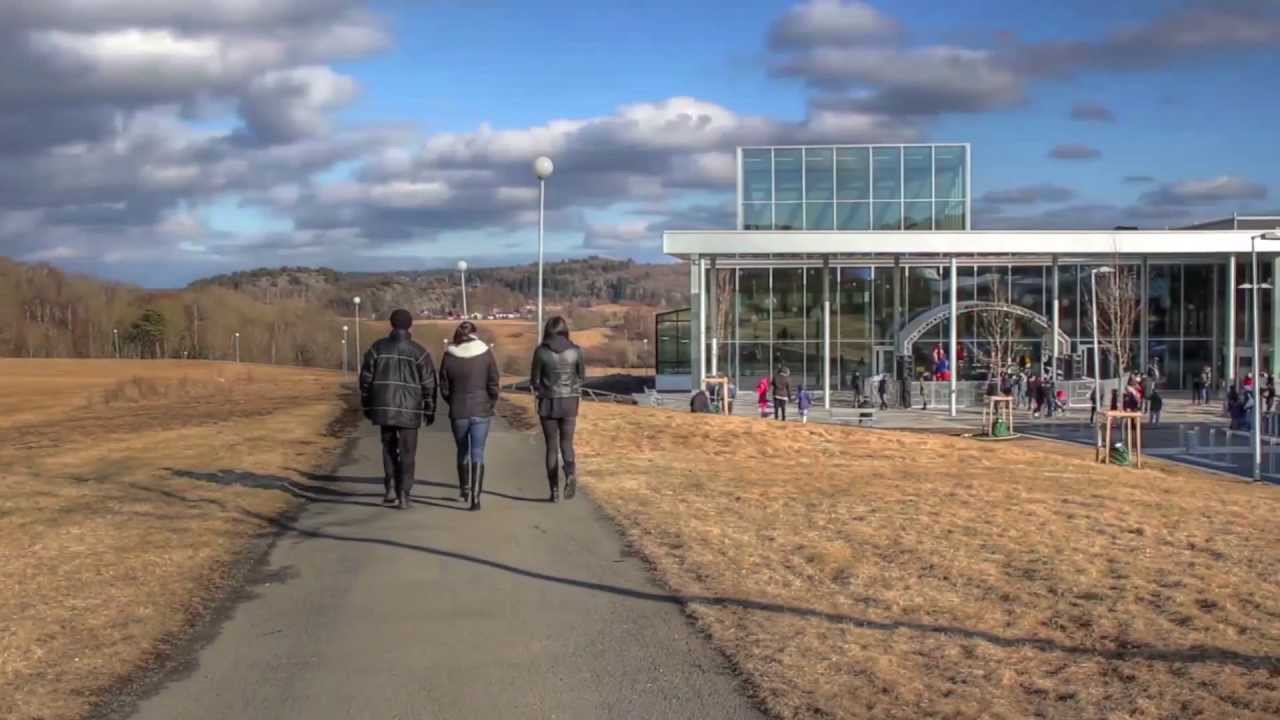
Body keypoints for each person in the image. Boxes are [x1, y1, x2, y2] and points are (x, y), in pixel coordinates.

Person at [359, 308, 437, 510]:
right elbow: (429, 382)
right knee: (408, 452)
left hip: (384, 406)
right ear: (410, 325)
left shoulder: (377, 348)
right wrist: (429, 407)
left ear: (391, 324)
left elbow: (366, 379)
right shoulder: (419, 352)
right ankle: (405, 494)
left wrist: (367, 403)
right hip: (410, 409)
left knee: (388, 448)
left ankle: (391, 486)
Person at [438, 321, 499, 510]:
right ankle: (476, 497)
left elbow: (444, 387)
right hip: (481, 409)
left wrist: (452, 401)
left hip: (458, 410)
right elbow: (493, 383)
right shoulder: (486, 354)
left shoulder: (449, 356)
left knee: (462, 450)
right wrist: (491, 402)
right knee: (478, 452)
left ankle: (464, 488)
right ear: (475, 334)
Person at [530, 316, 585, 503]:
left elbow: (534, 380)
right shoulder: (576, 351)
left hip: (548, 402)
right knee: (567, 443)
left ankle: (553, 490)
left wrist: (539, 389)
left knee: (551, 447)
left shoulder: (541, 351)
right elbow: (581, 377)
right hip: (570, 401)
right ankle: (570, 473)